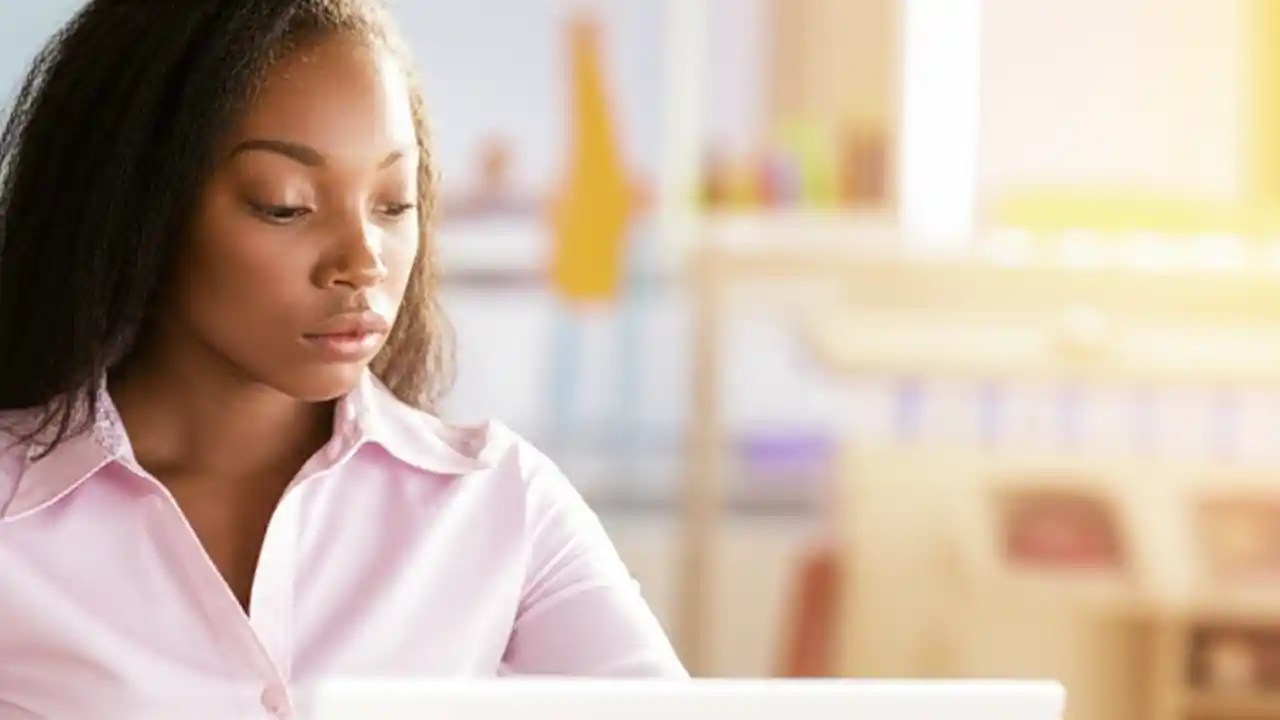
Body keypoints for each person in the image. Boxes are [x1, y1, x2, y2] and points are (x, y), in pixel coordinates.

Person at [0, 1, 685, 717]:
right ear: (137, 207)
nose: (362, 261)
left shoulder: (502, 504)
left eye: (393, 204)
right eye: (285, 205)